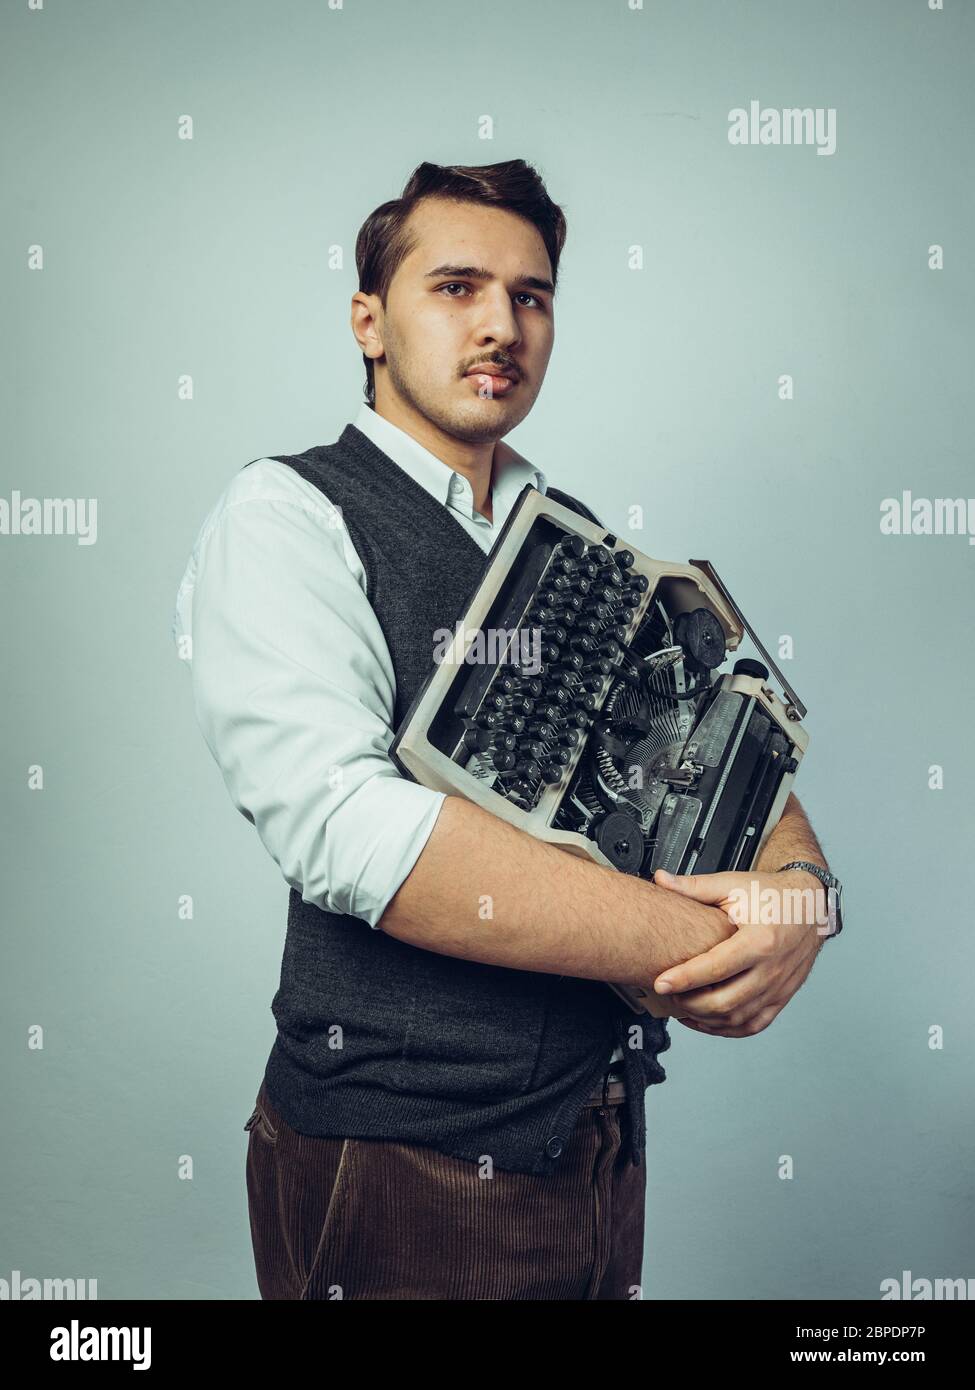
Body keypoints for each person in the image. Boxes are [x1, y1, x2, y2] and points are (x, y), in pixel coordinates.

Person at [172, 159, 833, 1300]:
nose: (501, 325)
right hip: (399, 1157)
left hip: (592, 1138)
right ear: (368, 322)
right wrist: (692, 942)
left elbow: (714, 741)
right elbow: (352, 831)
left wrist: (802, 899)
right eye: (457, 286)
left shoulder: (568, 535)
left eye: (531, 296)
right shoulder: (287, 515)